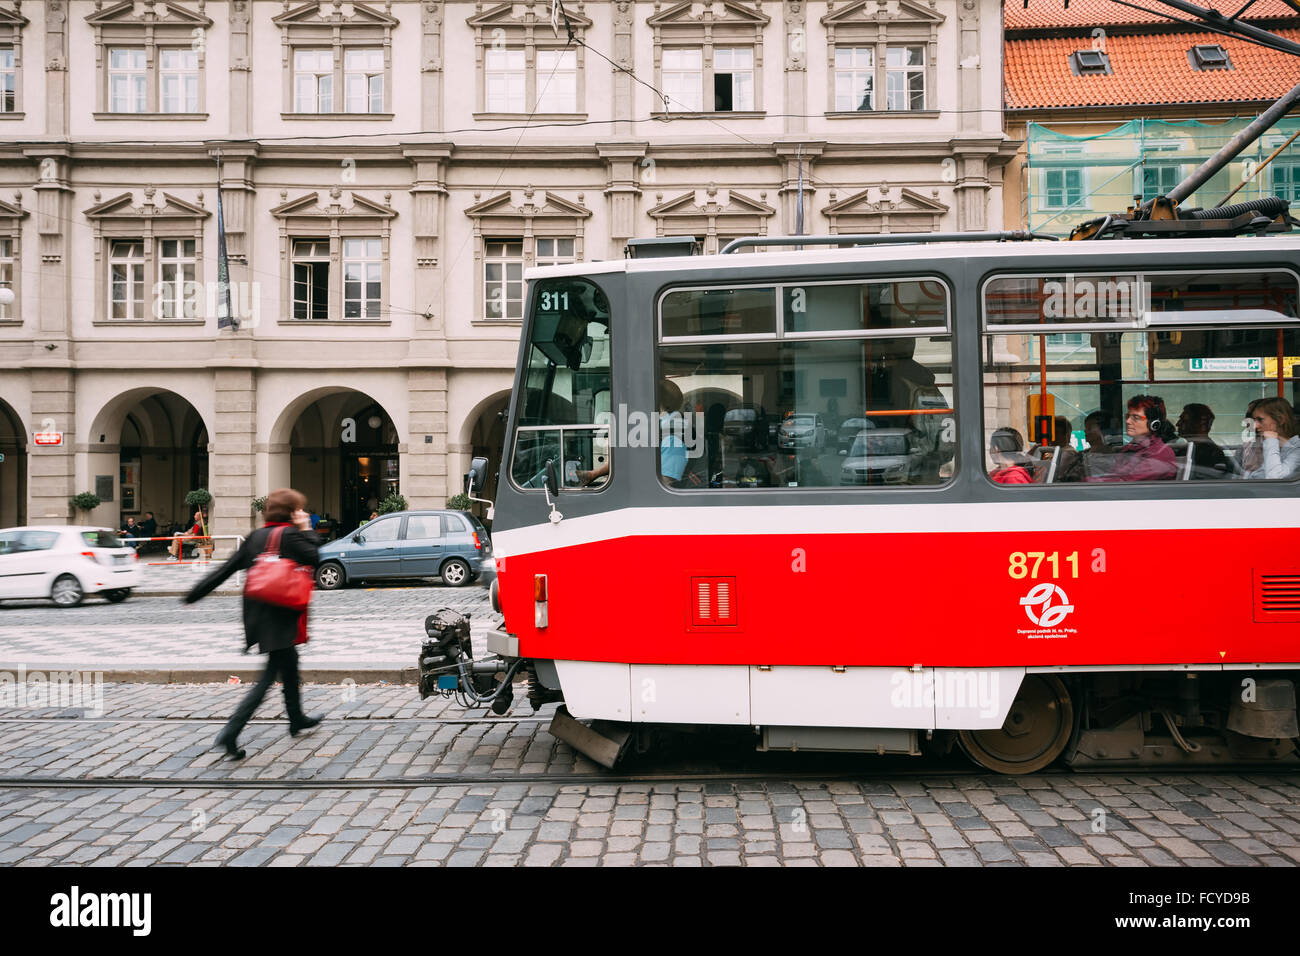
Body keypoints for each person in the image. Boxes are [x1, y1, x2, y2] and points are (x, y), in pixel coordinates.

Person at [183, 488, 321, 760]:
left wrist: (193, 594)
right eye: (299, 510)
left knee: (289, 665)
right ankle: (230, 733)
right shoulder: (290, 535)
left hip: (258, 615)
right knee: (270, 675)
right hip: (280, 614)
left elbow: (226, 569)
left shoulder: (256, 537)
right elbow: (315, 556)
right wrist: (306, 529)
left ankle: (296, 718)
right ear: (292, 512)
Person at [1086, 395, 1178, 482]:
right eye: (1128, 416)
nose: (1128, 421)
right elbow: (1111, 477)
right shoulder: (1130, 449)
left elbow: (1122, 483)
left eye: (1136, 417)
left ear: (1154, 424)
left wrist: (1082, 483)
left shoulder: (1160, 454)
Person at [1242, 396, 1300, 479]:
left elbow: (1274, 478)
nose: (1254, 426)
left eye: (1260, 420)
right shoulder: (1266, 444)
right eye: (1254, 420)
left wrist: (1271, 440)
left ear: (1280, 420)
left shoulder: (1297, 450)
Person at [1176, 403, 1230, 479]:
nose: (1177, 424)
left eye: (1184, 421)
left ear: (1201, 425)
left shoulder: (1212, 454)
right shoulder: (1187, 449)